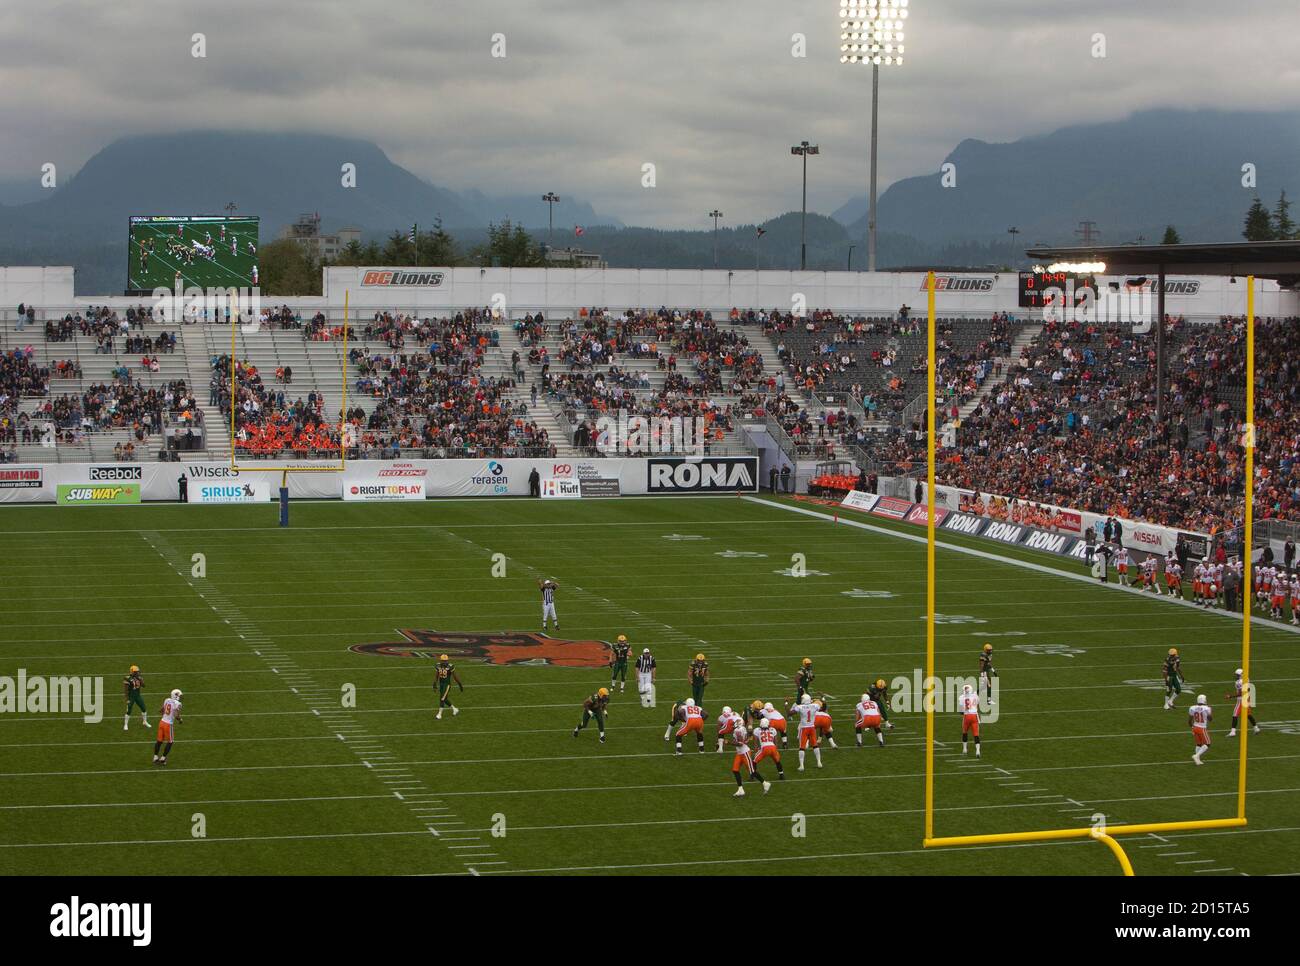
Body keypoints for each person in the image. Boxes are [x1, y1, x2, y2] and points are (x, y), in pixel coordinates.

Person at [728, 725, 771, 798]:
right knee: (735, 770)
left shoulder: (740, 731)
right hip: (739, 753)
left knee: (752, 771)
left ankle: (765, 783)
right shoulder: (739, 731)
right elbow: (737, 740)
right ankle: (740, 789)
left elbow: (740, 744)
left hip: (745, 753)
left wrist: (729, 743)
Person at [790, 692, 822, 771]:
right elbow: (822, 705)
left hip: (804, 728)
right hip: (812, 727)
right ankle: (819, 762)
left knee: (802, 747)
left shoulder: (800, 707)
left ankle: (802, 765)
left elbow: (789, 713)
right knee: (815, 745)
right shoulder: (815, 706)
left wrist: (786, 704)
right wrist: (822, 698)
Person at [152, 689, 182, 766]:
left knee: (159, 741)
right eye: (179, 695)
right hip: (168, 724)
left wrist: (165, 714)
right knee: (170, 741)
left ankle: (155, 757)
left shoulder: (167, 700)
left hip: (162, 722)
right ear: (176, 696)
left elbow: (161, 710)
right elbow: (176, 715)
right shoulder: (178, 703)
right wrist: (180, 720)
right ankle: (163, 758)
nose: (180, 697)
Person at [1227, 669, 1260, 737]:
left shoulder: (1239, 682)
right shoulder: (1246, 679)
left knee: (1235, 714)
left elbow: (1241, 693)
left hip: (1241, 700)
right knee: (1248, 714)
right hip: (1247, 698)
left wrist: (1231, 696)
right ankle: (1256, 728)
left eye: (1237, 675)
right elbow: (1248, 690)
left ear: (1241, 675)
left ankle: (1233, 732)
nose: (1236, 676)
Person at [433, 654, 463, 719]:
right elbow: (436, 675)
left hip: (447, 685)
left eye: (445, 661)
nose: (444, 662)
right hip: (441, 684)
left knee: (442, 698)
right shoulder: (438, 665)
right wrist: (434, 684)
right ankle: (455, 709)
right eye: (443, 661)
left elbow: (455, 676)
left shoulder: (450, 666)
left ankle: (439, 714)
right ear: (441, 660)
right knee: (445, 699)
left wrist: (460, 684)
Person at [959, 683, 981, 758]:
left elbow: (961, 711)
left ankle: (964, 749)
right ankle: (978, 751)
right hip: (974, 716)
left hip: (967, 716)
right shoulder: (975, 695)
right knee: (976, 734)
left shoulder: (962, 697)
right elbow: (977, 703)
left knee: (964, 732)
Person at [123, 665, 148, 731]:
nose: (137, 673)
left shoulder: (139, 678)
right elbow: (126, 690)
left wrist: (141, 680)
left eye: (137, 672)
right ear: (132, 672)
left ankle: (144, 722)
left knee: (144, 708)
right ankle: (125, 724)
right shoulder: (127, 678)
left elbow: (144, 686)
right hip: (131, 696)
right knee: (129, 710)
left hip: (138, 696)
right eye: (136, 672)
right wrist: (127, 698)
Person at [1190, 695, 1213, 766]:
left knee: (1199, 744)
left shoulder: (1192, 708)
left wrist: (1192, 728)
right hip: (1202, 728)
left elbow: (1189, 721)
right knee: (1208, 743)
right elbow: (1210, 719)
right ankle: (1196, 756)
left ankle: (1198, 760)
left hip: (1195, 727)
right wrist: (1209, 712)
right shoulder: (1207, 708)